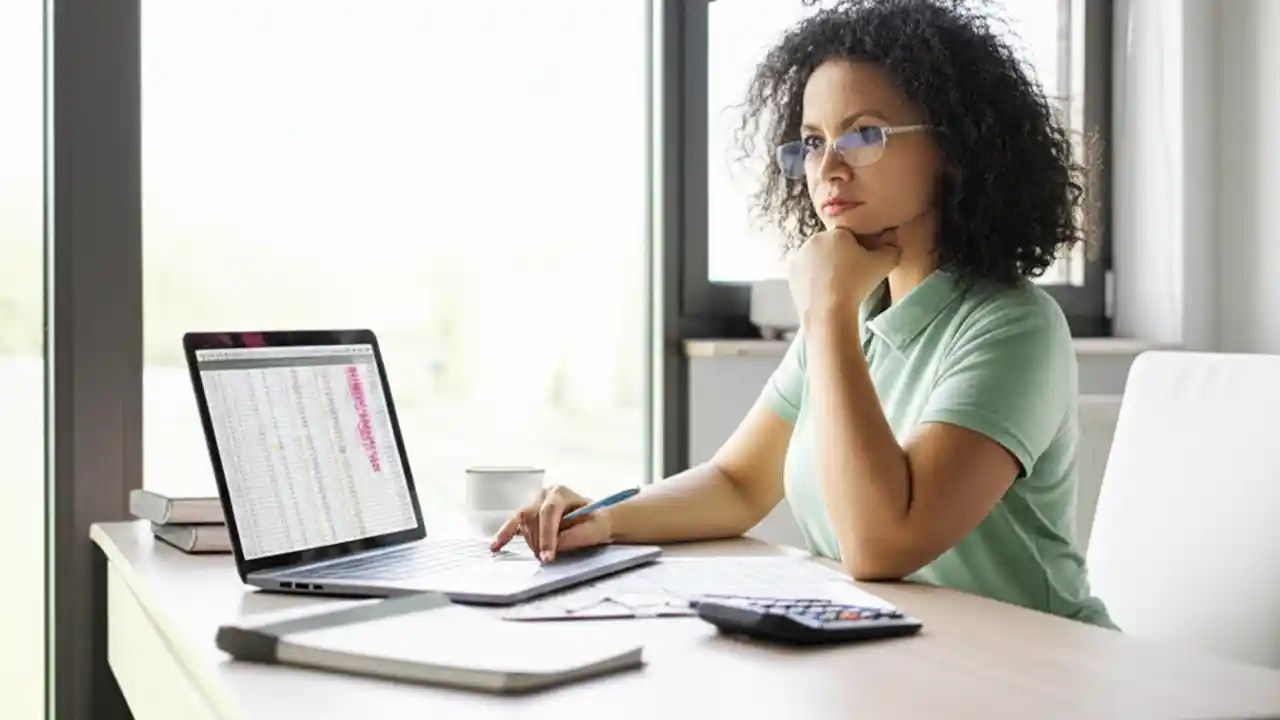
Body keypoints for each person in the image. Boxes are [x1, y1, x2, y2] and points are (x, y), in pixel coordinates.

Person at [492, 0, 1114, 628]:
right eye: (813, 142)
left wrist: (826, 312)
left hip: (1034, 671)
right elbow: (738, 482)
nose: (827, 169)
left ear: (953, 147)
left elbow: (880, 545)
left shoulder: (1012, 327)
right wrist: (604, 518)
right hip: (893, 661)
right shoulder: (854, 311)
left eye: (863, 134)